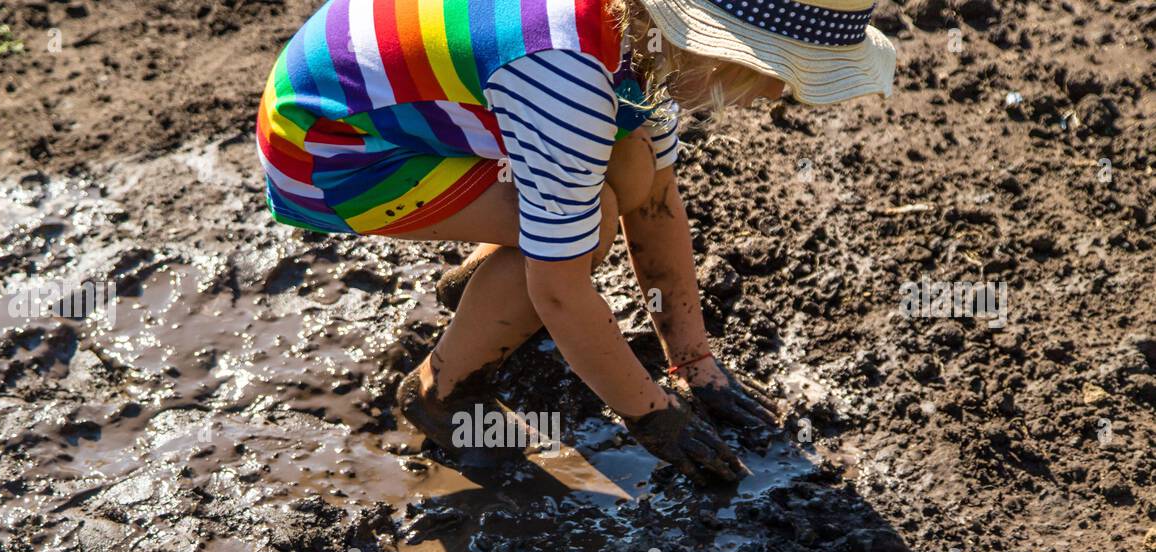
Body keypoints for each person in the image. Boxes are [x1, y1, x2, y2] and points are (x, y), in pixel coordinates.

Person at [256, 0, 895, 480]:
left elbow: (656, 201)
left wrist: (693, 364)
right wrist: (656, 419)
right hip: (330, 147)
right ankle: (439, 391)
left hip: (407, 100)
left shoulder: (638, 37)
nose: (782, 94)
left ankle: (478, 287)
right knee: (580, 236)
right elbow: (560, 289)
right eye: (779, 71)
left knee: (625, 175)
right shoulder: (568, 79)